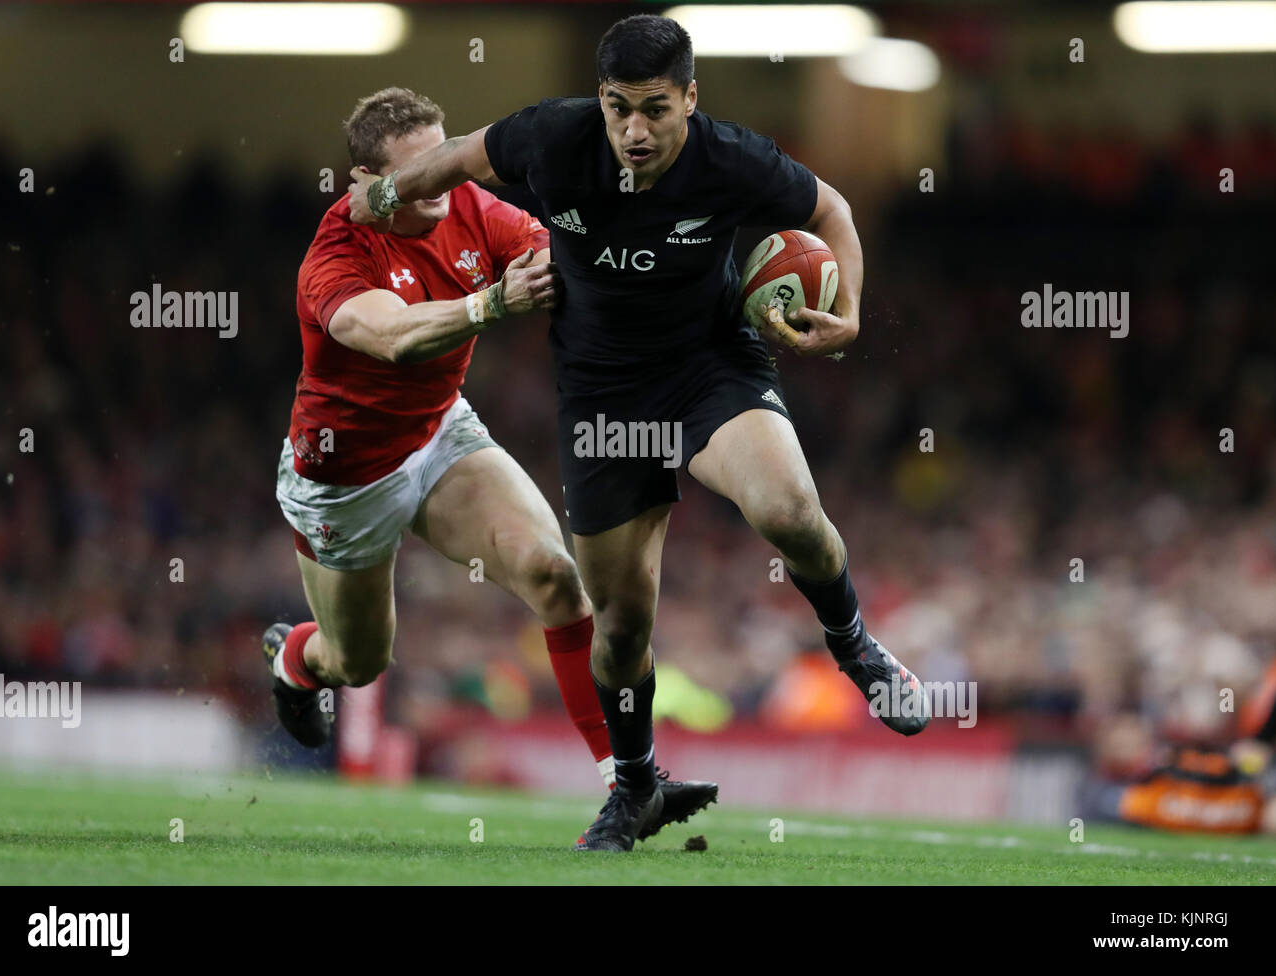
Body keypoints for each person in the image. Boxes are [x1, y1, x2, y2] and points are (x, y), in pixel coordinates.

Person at [347, 16, 932, 853]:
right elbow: (461, 155)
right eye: (619, 107)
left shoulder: (731, 159)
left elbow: (831, 209)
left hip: (709, 371)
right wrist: (384, 194)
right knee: (620, 627)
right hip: (603, 399)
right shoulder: (553, 138)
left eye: (655, 108)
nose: (634, 130)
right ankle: (633, 788)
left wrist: (851, 315)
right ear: (599, 99)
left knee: (790, 510)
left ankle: (857, 649)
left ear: (691, 99)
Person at [269, 86, 717, 840]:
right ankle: (296, 658)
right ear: (366, 185)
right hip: (345, 479)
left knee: (557, 578)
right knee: (360, 661)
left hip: (441, 433)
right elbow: (392, 335)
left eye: (446, 161)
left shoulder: (470, 206)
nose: (443, 182)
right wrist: (490, 305)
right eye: (420, 174)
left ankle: (628, 785)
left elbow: (554, 254)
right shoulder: (337, 252)